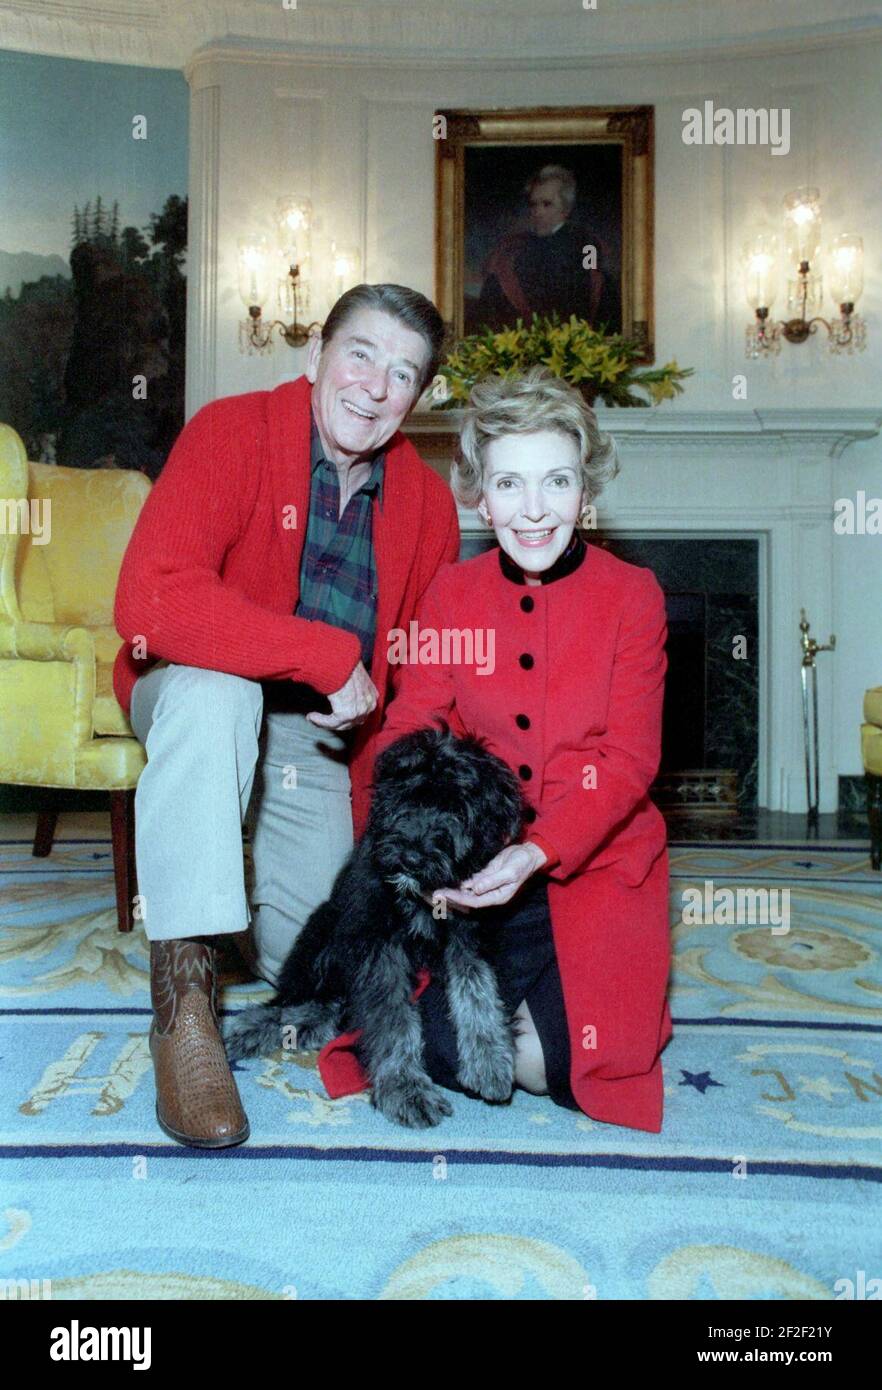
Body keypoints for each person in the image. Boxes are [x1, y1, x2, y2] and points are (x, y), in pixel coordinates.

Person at [112, 283, 460, 1148]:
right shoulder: (231, 432)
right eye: (361, 355)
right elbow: (149, 599)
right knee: (215, 693)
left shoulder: (428, 507)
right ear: (314, 356)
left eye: (404, 374)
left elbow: (414, 678)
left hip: (312, 736)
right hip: (191, 690)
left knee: (311, 965)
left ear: (418, 399)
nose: (376, 387)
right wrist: (323, 653)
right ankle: (184, 1005)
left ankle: (220, 900)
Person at [368, 366, 672, 1132]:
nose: (533, 511)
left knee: (558, 1066)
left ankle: (622, 1001)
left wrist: (537, 853)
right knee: (455, 1048)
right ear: (479, 494)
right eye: (509, 484)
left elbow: (630, 758)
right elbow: (413, 724)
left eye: (556, 482)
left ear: (585, 490)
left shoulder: (633, 596)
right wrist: (416, 846)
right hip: (477, 870)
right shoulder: (450, 595)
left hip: (595, 860)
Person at [470, 164, 616, 334]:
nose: (537, 212)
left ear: (565, 209)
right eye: (534, 205)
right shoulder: (516, 247)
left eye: (547, 204)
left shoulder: (586, 246)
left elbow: (590, 293)